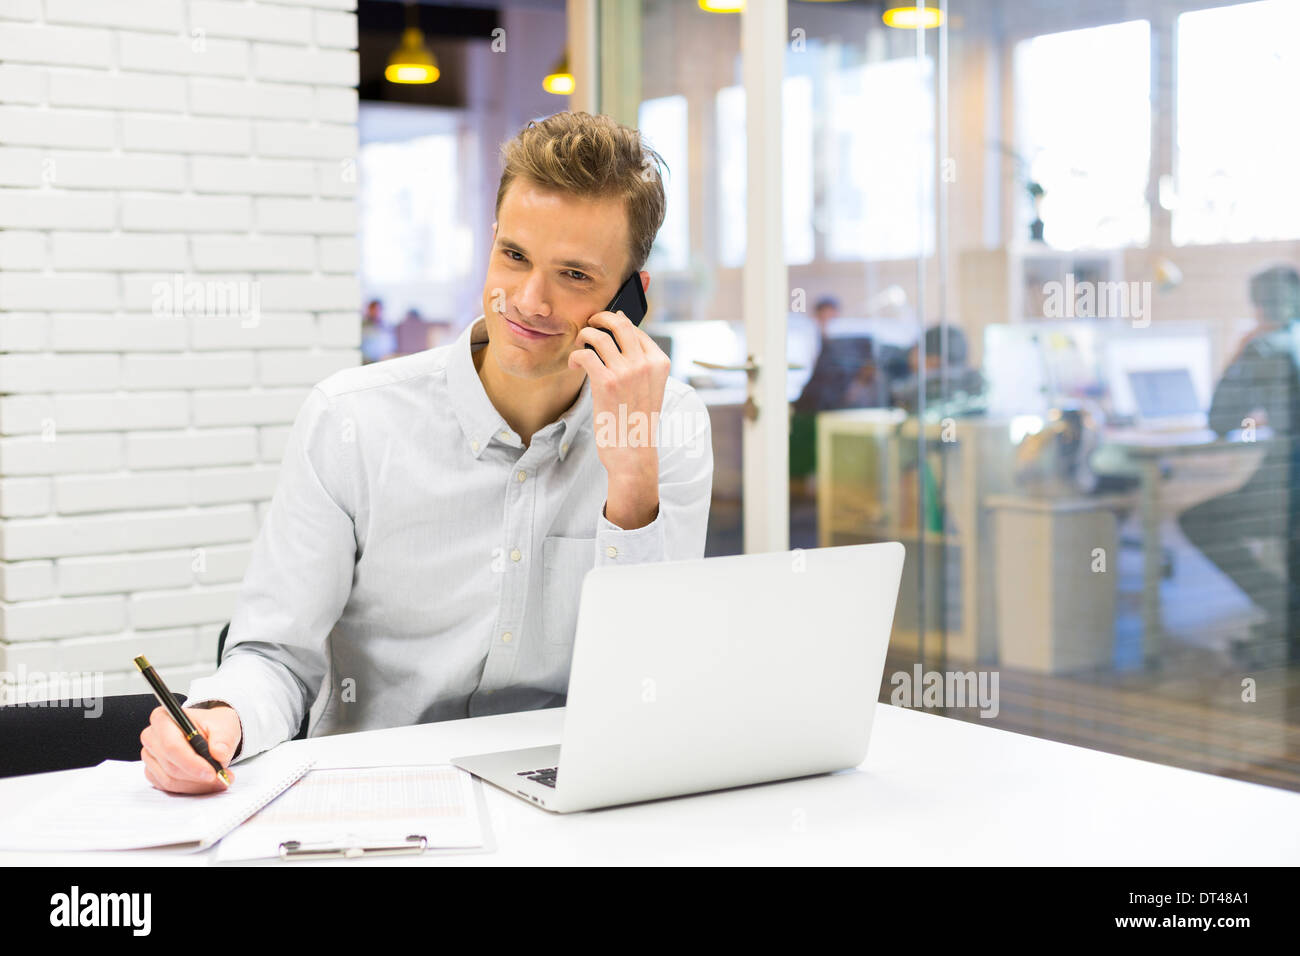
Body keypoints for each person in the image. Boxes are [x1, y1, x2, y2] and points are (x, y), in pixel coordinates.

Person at [139, 112, 714, 793]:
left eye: (575, 276)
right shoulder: (351, 420)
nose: (529, 301)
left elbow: (653, 681)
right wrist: (220, 717)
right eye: (516, 256)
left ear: (630, 299)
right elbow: (276, 657)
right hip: (378, 795)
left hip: (576, 797)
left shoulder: (666, 424)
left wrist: (630, 473)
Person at [1178, 264, 1300, 666]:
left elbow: (1219, 421)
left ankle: (1287, 616)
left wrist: (1243, 348)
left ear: (1258, 307)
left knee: (1200, 522)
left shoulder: (1264, 347)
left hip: (1287, 491)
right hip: (1285, 487)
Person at [888, 324, 985, 417]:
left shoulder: (925, 386)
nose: (911, 360)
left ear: (935, 360)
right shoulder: (975, 384)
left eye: (915, 351)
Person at [360, 298, 395, 363]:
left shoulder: (386, 327)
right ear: (369, 310)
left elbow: (390, 346)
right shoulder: (363, 326)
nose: (376, 312)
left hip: (383, 361)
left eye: (378, 310)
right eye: (374, 309)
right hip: (366, 362)